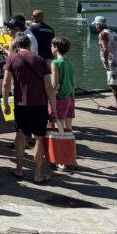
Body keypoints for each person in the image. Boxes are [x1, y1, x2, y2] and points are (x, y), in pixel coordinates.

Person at [2, 31, 59, 182]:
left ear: (18, 46)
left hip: (21, 104)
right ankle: (38, 174)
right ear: (29, 44)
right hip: (40, 104)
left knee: (20, 136)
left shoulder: (12, 59)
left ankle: (19, 169)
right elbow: (49, 87)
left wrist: (6, 103)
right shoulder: (40, 60)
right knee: (39, 138)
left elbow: (6, 83)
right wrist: (53, 109)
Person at [49, 36, 76, 170]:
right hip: (70, 98)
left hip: (60, 99)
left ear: (56, 48)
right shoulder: (70, 62)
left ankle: (62, 160)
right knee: (69, 130)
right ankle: (71, 158)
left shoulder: (55, 63)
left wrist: (50, 100)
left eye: (52, 45)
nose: (51, 47)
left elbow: (54, 85)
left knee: (59, 130)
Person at [94, 16, 117, 110]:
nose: (96, 26)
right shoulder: (113, 32)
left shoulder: (102, 34)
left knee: (113, 84)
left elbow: (105, 49)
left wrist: (106, 62)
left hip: (113, 63)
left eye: (96, 24)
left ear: (99, 24)